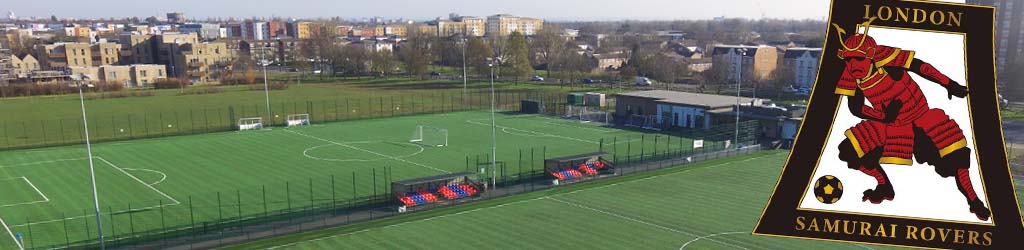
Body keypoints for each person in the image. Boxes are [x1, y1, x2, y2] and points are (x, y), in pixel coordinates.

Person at [831, 18, 988, 221]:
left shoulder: (889, 61)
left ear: (870, 56)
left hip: (922, 118)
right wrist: (884, 117)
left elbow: (920, 67)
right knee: (849, 150)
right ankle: (884, 186)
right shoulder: (851, 74)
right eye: (848, 60)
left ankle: (975, 202)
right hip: (890, 124)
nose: (852, 65)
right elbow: (855, 107)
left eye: (858, 59)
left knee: (956, 158)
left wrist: (948, 83)